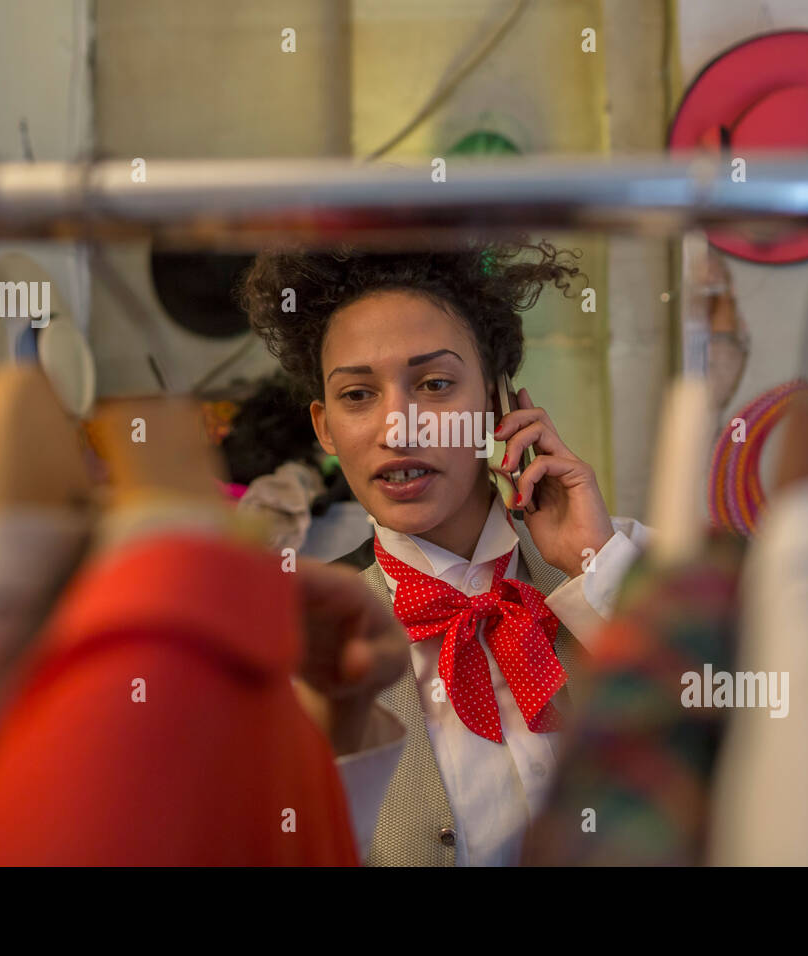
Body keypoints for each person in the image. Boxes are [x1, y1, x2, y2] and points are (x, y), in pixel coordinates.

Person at [243, 237, 651, 865]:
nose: (399, 425)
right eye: (357, 396)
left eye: (434, 384)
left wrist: (594, 568)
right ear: (324, 427)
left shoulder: (623, 564)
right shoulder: (301, 640)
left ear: (495, 402)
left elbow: (744, 750)